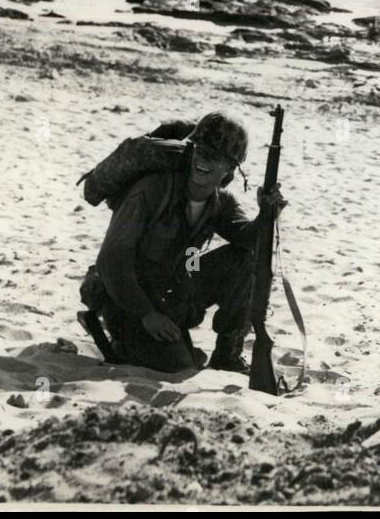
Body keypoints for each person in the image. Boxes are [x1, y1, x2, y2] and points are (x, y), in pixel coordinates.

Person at [80, 112, 285, 373]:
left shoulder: (220, 203)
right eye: (200, 151)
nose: (203, 160)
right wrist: (147, 314)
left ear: (230, 169)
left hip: (171, 295)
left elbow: (248, 237)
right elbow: (112, 260)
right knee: (177, 367)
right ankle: (116, 335)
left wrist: (268, 214)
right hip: (128, 301)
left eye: (215, 156)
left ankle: (228, 355)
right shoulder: (153, 190)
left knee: (245, 259)